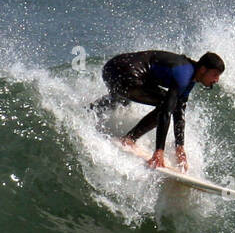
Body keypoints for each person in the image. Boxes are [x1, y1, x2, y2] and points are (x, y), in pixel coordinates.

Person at [90, 50, 225, 172]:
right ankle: (129, 139)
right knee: (163, 104)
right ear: (203, 70)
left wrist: (180, 146)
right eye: (215, 75)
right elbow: (167, 111)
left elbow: (179, 110)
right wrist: (159, 151)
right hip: (123, 72)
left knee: (124, 98)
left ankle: (90, 111)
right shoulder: (184, 75)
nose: (216, 80)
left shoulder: (190, 77)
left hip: (113, 68)